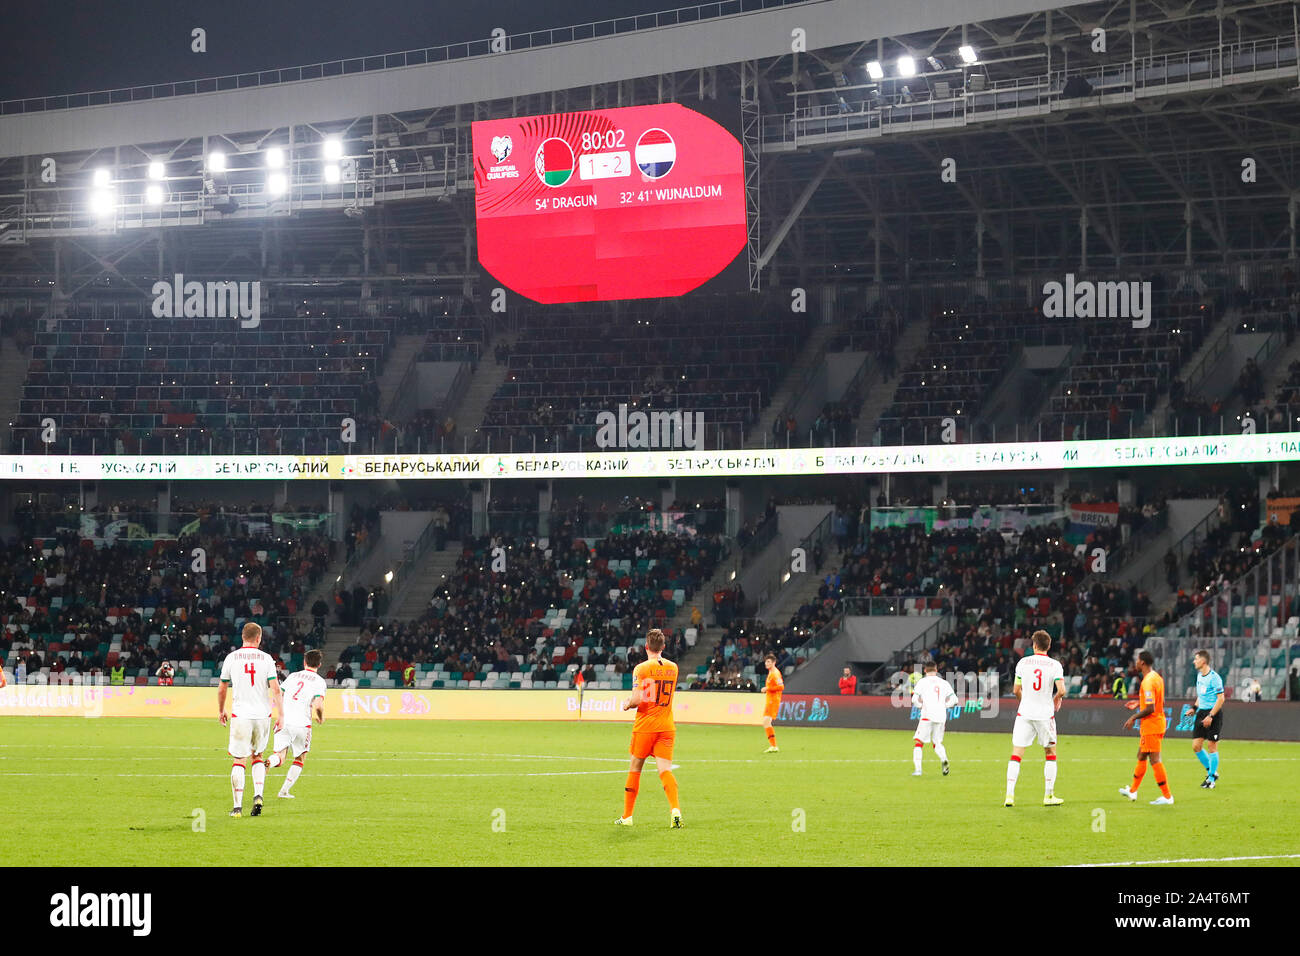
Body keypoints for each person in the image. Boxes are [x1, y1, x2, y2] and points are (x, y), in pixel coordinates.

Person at [614, 628, 682, 829]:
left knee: (635, 769)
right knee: (665, 771)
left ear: (646, 647)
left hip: (645, 726)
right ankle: (675, 810)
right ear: (663, 646)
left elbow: (636, 700)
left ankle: (627, 817)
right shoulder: (674, 668)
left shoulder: (641, 669)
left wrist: (627, 704)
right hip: (666, 727)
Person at [218, 622, 283, 818]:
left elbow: (222, 688)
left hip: (241, 715)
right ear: (259, 638)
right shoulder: (266, 659)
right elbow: (276, 689)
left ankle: (237, 807)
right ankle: (258, 796)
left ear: (243, 637)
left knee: (240, 759)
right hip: (262, 715)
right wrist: (281, 714)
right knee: (258, 756)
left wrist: (221, 710)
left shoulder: (232, 658)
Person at [1005, 629, 1065, 807]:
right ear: (1049, 646)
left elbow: (1016, 689)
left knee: (1016, 754)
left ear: (1034, 645)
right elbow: (1061, 690)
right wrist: (1057, 698)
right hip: (1045, 715)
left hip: (1024, 714)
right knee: (1050, 753)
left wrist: (1025, 702)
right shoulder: (1055, 665)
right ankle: (1048, 796)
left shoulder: (1023, 663)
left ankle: (1009, 796)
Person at [264, 649, 326, 799]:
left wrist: (277, 712)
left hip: (284, 721)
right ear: (319, 664)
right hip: (302, 725)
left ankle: (269, 763)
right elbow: (318, 705)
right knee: (300, 758)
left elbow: (278, 694)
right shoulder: (319, 681)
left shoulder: (292, 676)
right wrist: (320, 717)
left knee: (279, 756)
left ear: (304, 662)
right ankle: (284, 791)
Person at [1119, 650, 1173, 805]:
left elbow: (1150, 708)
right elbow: (1158, 702)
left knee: (1155, 760)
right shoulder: (1156, 677)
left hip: (1152, 726)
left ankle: (1168, 797)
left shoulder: (1147, 682)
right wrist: (1139, 703)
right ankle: (1133, 791)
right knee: (1141, 755)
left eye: (1137, 660)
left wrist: (1133, 717)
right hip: (1156, 723)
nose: (1136, 662)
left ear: (1142, 662)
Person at [1185, 649, 1224, 789]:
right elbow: (1200, 697)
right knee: (1196, 746)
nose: (1194, 661)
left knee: (1212, 746)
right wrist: (1194, 708)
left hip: (1214, 713)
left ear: (1203, 661)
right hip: (1202, 713)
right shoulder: (1200, 676)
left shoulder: (1215, 678)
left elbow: (1221, 699)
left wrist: (1211, 716)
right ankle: (1212, 772)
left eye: (1196, 659)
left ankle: (1211, 780)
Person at [910, 661, 957, 776]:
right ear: (936, 670)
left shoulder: (922, 682)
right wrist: (944, 706)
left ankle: (918, 770)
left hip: (927, 715)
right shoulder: (944, 683)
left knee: (919, 742)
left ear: (925, 670)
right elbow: (954, 700)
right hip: (941, 716)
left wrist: (921, 706)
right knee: (937, 742)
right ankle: (944, 759)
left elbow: (914, 699)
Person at [762, 653, 783, 753]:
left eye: (769, 661)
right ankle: (773, 746)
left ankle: (774, 746)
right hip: (769, 700)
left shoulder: (775, 673)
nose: (766, 663)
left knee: (766, 722)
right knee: (766, 722)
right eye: (766, 661)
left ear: (774, 662)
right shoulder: (771, 672)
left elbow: (781, 686)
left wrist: (768, 688)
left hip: (773, 701)